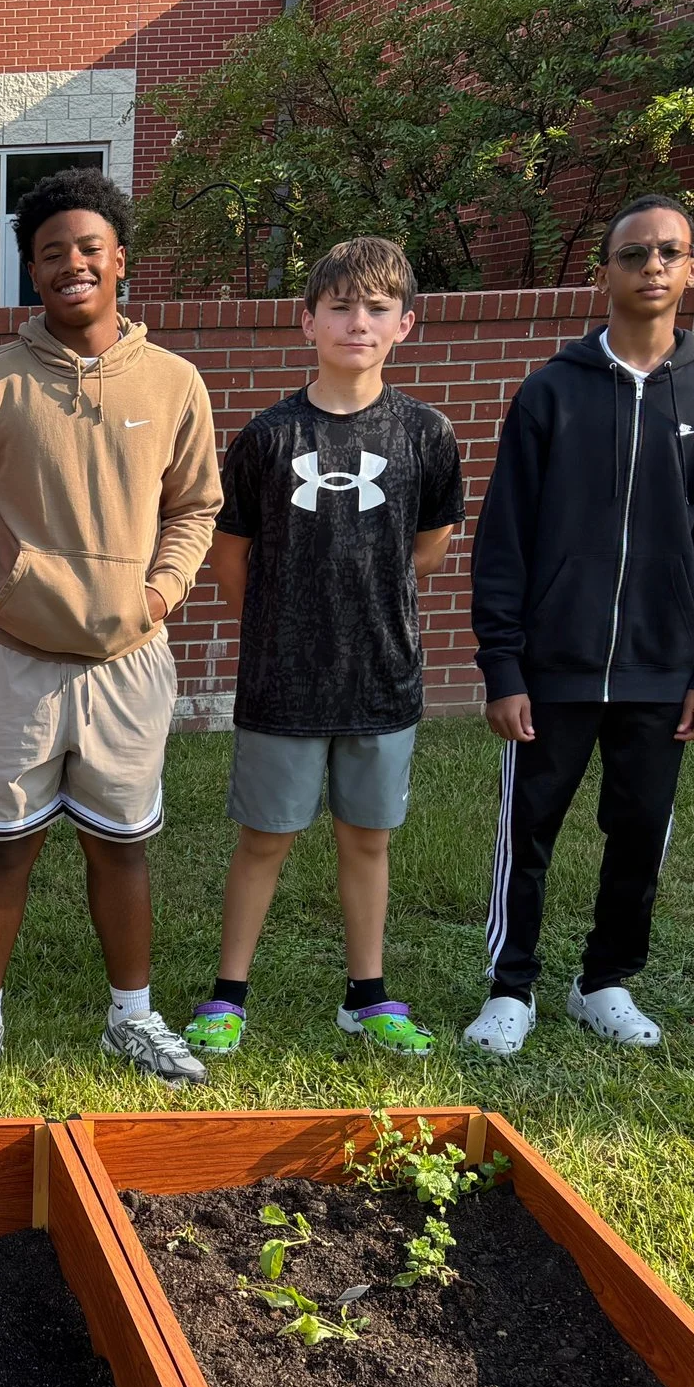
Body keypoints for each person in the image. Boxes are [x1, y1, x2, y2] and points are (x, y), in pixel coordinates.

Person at [0, 167, 222, 1094]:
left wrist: (158, 596)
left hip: (128, 658)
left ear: (120, 259)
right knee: (4, 847)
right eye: (51, 253)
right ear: (33, 271)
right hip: (9, 658)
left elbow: (196, 508)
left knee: (120, 845)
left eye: (89, 248)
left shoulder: (174, 382)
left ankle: (131, 1017)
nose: (72, 264)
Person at [463, 194, 694, 1057]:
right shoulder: (551, 391)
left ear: (692, 268)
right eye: (633, 254)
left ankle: (605, 980)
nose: (652, 266)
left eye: (669, 252)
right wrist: (504, 666)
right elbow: (504, 538)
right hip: (555, 663)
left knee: (640, 831)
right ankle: (511, 987)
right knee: (528, 832)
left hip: (664, 666)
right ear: (605, 274)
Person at [181, 238, 464, 1061]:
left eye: (377, 308)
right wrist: (287, 625)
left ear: (405, 324)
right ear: (307, 321)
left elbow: (428, 546)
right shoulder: (268, 437)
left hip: (382, 675)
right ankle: (229, 992)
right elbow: (231, 557)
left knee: (367, 838)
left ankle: (366, 995)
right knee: (264, 838)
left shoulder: (425, 433)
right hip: (284, 681)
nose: (357, 322)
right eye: (340, 306)